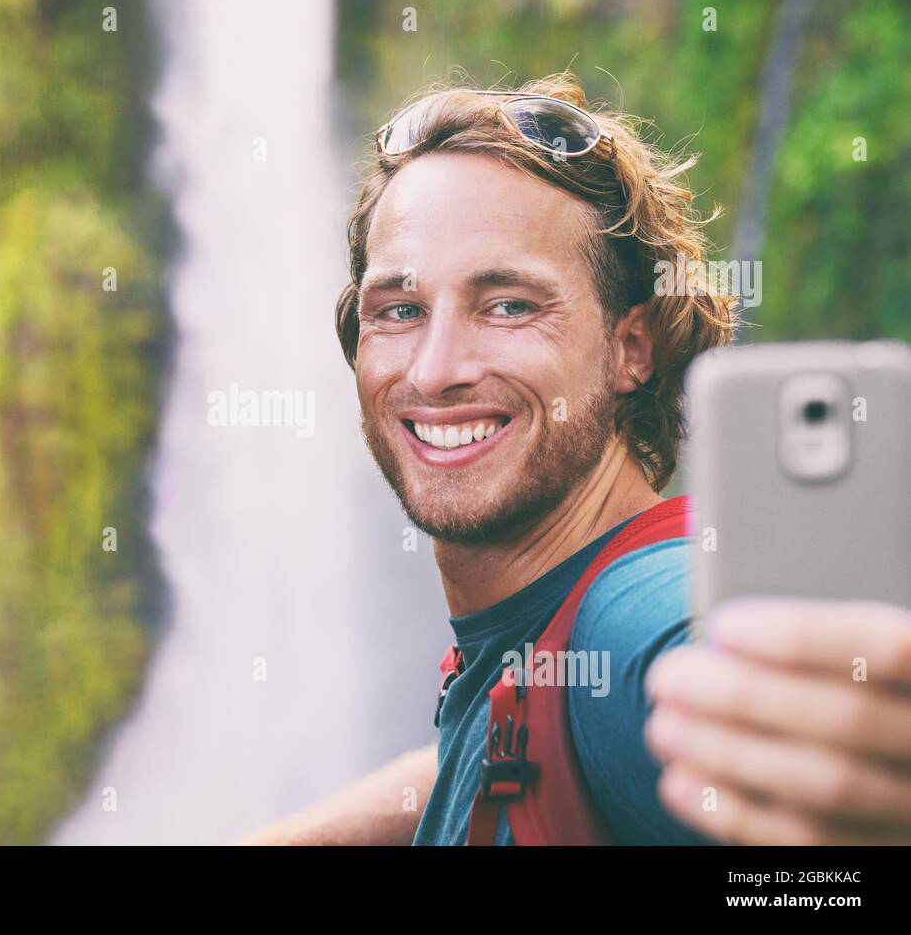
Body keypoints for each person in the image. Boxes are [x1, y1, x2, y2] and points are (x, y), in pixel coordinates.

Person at [239, 75, 911, 845]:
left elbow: (700, 678)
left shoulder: (636, 620)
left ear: (630, 349)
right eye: (400, 310)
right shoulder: (529, 662)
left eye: (510, 305)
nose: (433, 370)